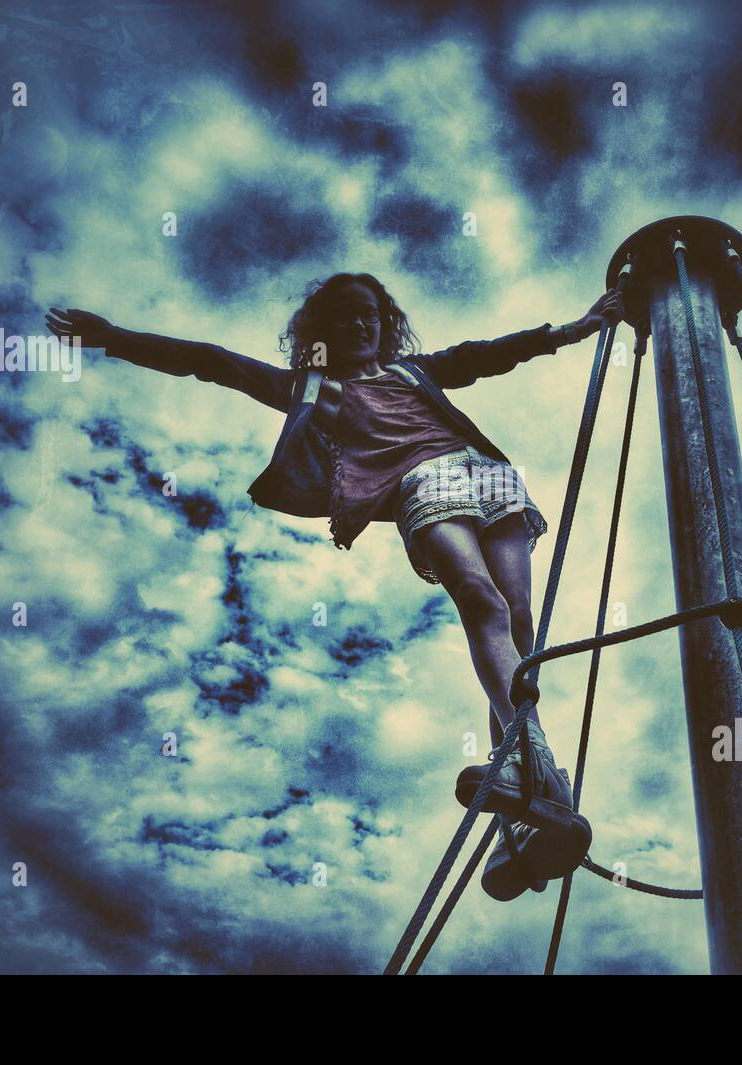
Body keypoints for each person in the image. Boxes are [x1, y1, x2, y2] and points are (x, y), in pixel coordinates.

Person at [45, 274, 625, 901]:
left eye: (370, 315)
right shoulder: (309, 387)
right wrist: (114, 339)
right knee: (478, 600)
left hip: (486, 473)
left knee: (518, 628)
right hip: (419, 484)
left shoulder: (414, 373)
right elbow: (209, 363)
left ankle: (527, 806)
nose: (361, 325)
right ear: (322, 331)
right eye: (346, 316)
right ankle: (535, 770)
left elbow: (484, 356)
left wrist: (573, 328)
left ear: (385, 322)